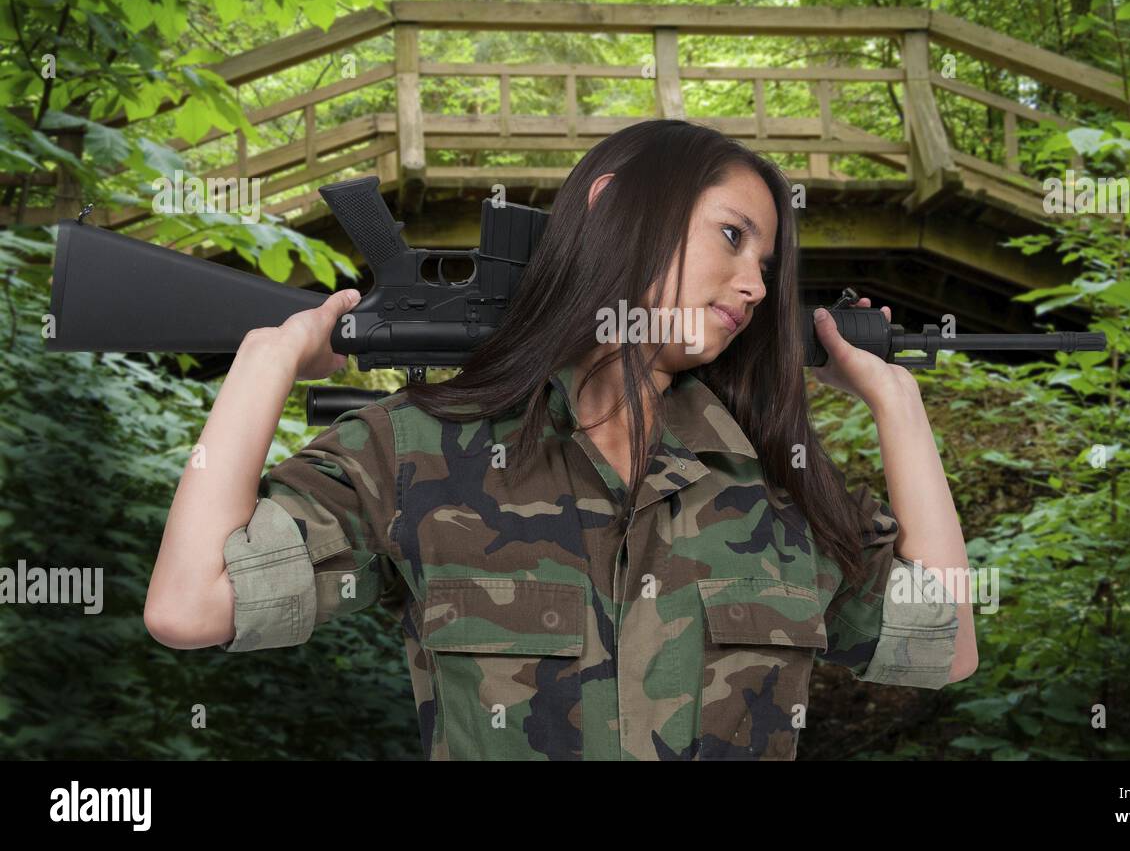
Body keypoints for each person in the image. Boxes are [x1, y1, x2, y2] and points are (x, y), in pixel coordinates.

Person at [145, 119, 978, 761]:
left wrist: (897, 403)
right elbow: (191, 605)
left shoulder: (774, 483)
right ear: (612, 204)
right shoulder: (420, 451)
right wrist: (270, 358)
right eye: (732, 235)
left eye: (767, 259)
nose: (757, 284)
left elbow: (943, 648)